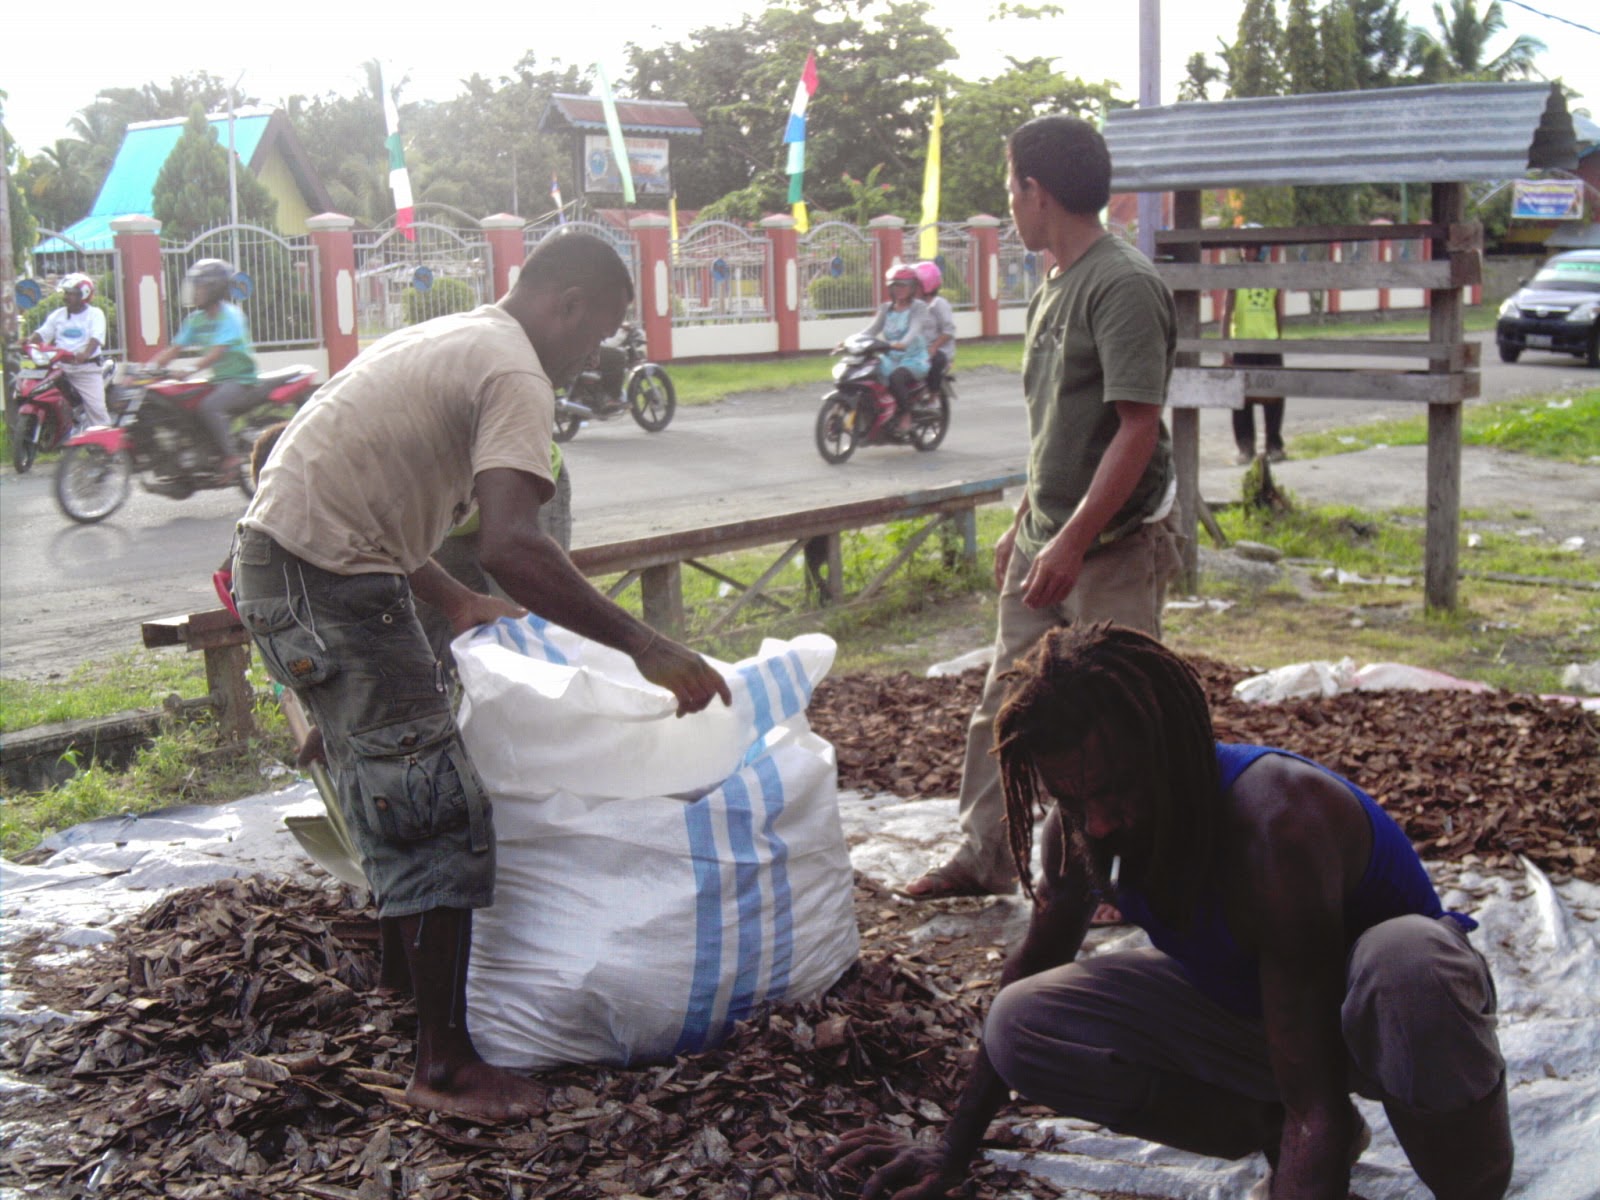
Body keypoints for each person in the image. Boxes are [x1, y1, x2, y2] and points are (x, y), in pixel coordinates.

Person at [230, 230, 732, 1123]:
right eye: (599, 332)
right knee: (434, 800)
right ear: (569, 305)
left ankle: (403, 993)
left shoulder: (459, 335)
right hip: (324, 581)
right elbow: (515, 543)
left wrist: (457, 600)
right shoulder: (517, 373)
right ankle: (446, 1068)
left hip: (301, 568)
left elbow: (374, 506)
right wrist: (645, 646)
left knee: (390, 779)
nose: (592, 357)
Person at [831, 623, 1512, 1200]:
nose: (1097, 824)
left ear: (1173, 755)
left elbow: (1319, 1100)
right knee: (1022, 1024)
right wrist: (948, 1149)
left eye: (1118, 791)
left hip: (1390, 1025)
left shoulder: (1276, 825)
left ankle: (1467, 1180)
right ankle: (1261, 1124)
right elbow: (1033, 962)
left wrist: (1316, 1127)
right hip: (1259, 1023)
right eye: (1071, 801)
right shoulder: (1080, 830)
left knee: (1406, 962)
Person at [899, 114, 1182, 901]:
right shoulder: (1056, 282)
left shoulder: (1121, 284)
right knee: (1004, 700)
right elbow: (1060, 427)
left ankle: (1137, 879)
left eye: (1010, 188)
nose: (1009, 205)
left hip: (1114, 544)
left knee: (1123, 717)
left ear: (1037, 191)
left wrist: (1072, 542)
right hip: (1049, 535)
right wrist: (1028, 523)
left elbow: (1136, 428)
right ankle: (986, 853)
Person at [150, 258, 259, 481]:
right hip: (218, 379)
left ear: (215, 288)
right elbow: (174, 349)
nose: (196, 292)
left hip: (241, 379)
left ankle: (232, 457)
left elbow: (217, 352)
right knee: (183, 406)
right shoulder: (196, 320)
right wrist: (148, 369)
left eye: (200, 287)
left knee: (209, 407)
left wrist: (189, 369)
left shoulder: (230, 317)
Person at [1221, 241, 1288, 464]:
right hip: (1243, 345)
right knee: (1241, 400)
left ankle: (1274, 445)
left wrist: (1279, 341)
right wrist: (1225, 349)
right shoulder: (1236, 278)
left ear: (1261, 252)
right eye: (1245, 249)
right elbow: (1227, 312)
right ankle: (1245, 447)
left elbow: (1278, 312)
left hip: (1268, 344)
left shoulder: (1271, 278)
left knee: (1274, 397)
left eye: (1250, 249)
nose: (1246, 253)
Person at [848, 263, 933, 432]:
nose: (899, 289)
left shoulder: (919, 307)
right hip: (890, 357)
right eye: (895, 286)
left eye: (903, 285)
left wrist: (903, 343)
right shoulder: (886, 308)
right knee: (869, 375)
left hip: (913, 358)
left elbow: (915, 328)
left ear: (913, 287)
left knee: (896, 378)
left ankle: (905, 414)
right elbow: (871, 330)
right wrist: (850, 341)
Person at [27, 273, 110, 428]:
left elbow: (96, 338)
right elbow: (43, 333)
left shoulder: (95, 314)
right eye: (66, 293)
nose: (66, 297)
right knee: (38, 393)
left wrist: (84, 354)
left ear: (84, 295)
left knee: (97, 410)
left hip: (86, 370)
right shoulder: (58, 315)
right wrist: (29, 343)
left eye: (71, 294)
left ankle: (103, 445)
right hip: (60, 368)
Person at [913, 260, 956, 395]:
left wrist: (934, 347)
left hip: (940, 350)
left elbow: (948, 331)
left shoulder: (939, 304)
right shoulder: (916, 304)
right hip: (920, 348)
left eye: (916, 285)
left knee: (934, 361)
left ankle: (933, 396)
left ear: (927, 285)